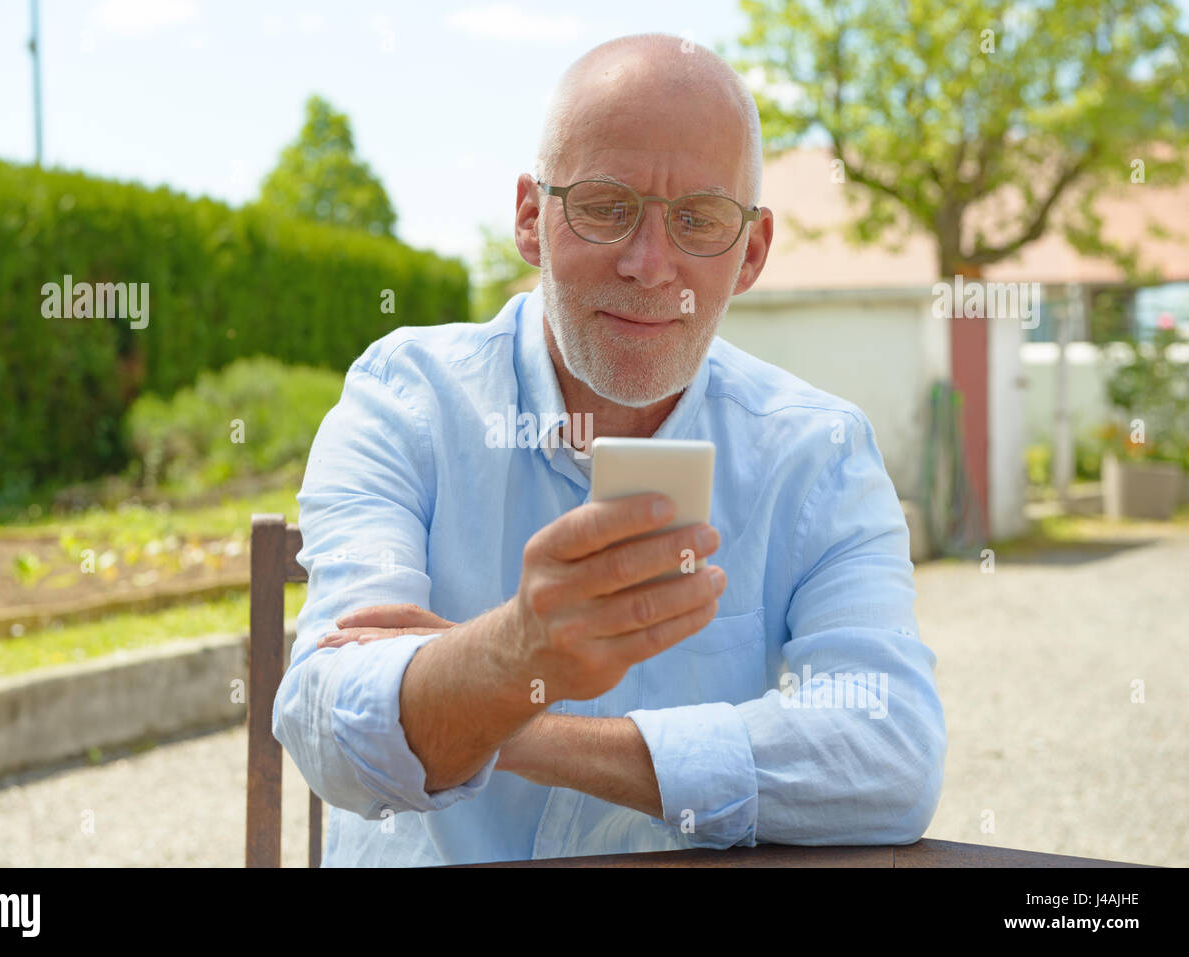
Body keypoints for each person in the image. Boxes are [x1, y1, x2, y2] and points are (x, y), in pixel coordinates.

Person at [273, 32, 946, 867]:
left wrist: (501, 693)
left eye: (698, 220)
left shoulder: (816, 451)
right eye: (604, 205)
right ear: (530, 218)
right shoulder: (407, 401)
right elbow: (327, 725)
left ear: (753, 254)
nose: (649, 264)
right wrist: (517, 653)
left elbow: (890, 753)